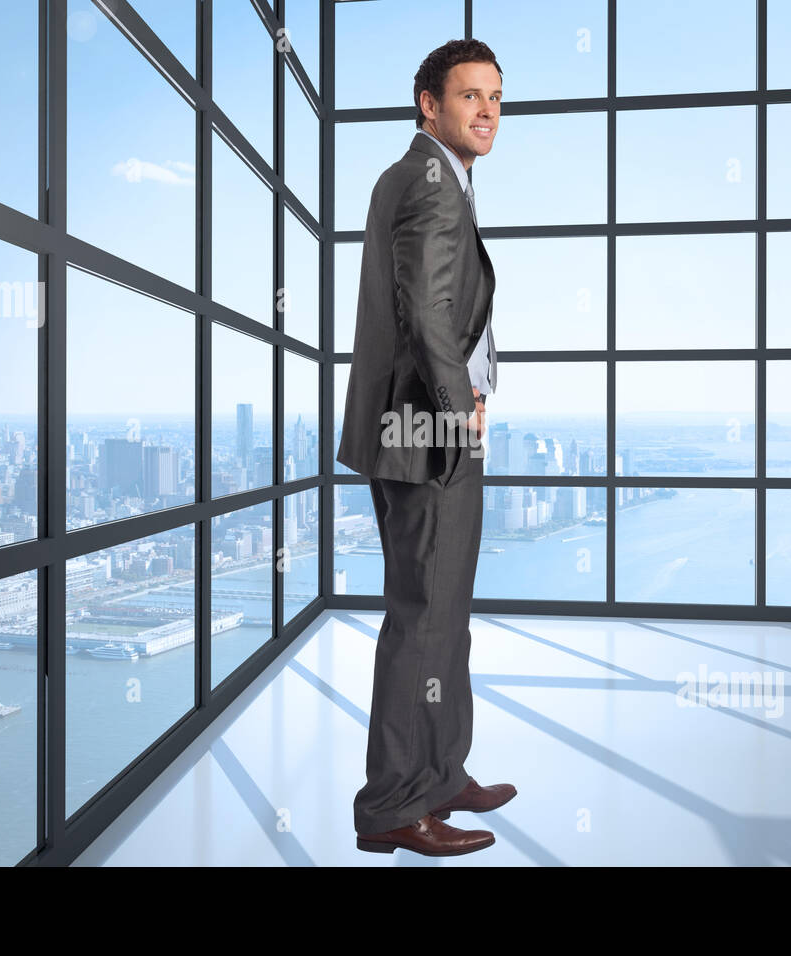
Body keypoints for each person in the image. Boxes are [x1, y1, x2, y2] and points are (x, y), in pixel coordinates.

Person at [336, 38, 516, 856]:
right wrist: (457, 414)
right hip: (428, 434)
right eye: (469, 95)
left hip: (416, 428)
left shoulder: (426, 176)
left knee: (446, 618)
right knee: (422, 620)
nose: (486, 111)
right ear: (428, 104)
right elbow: (426, 314)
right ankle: (391, 808)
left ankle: (443, 777)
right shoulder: (433, 185)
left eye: (496, 97)